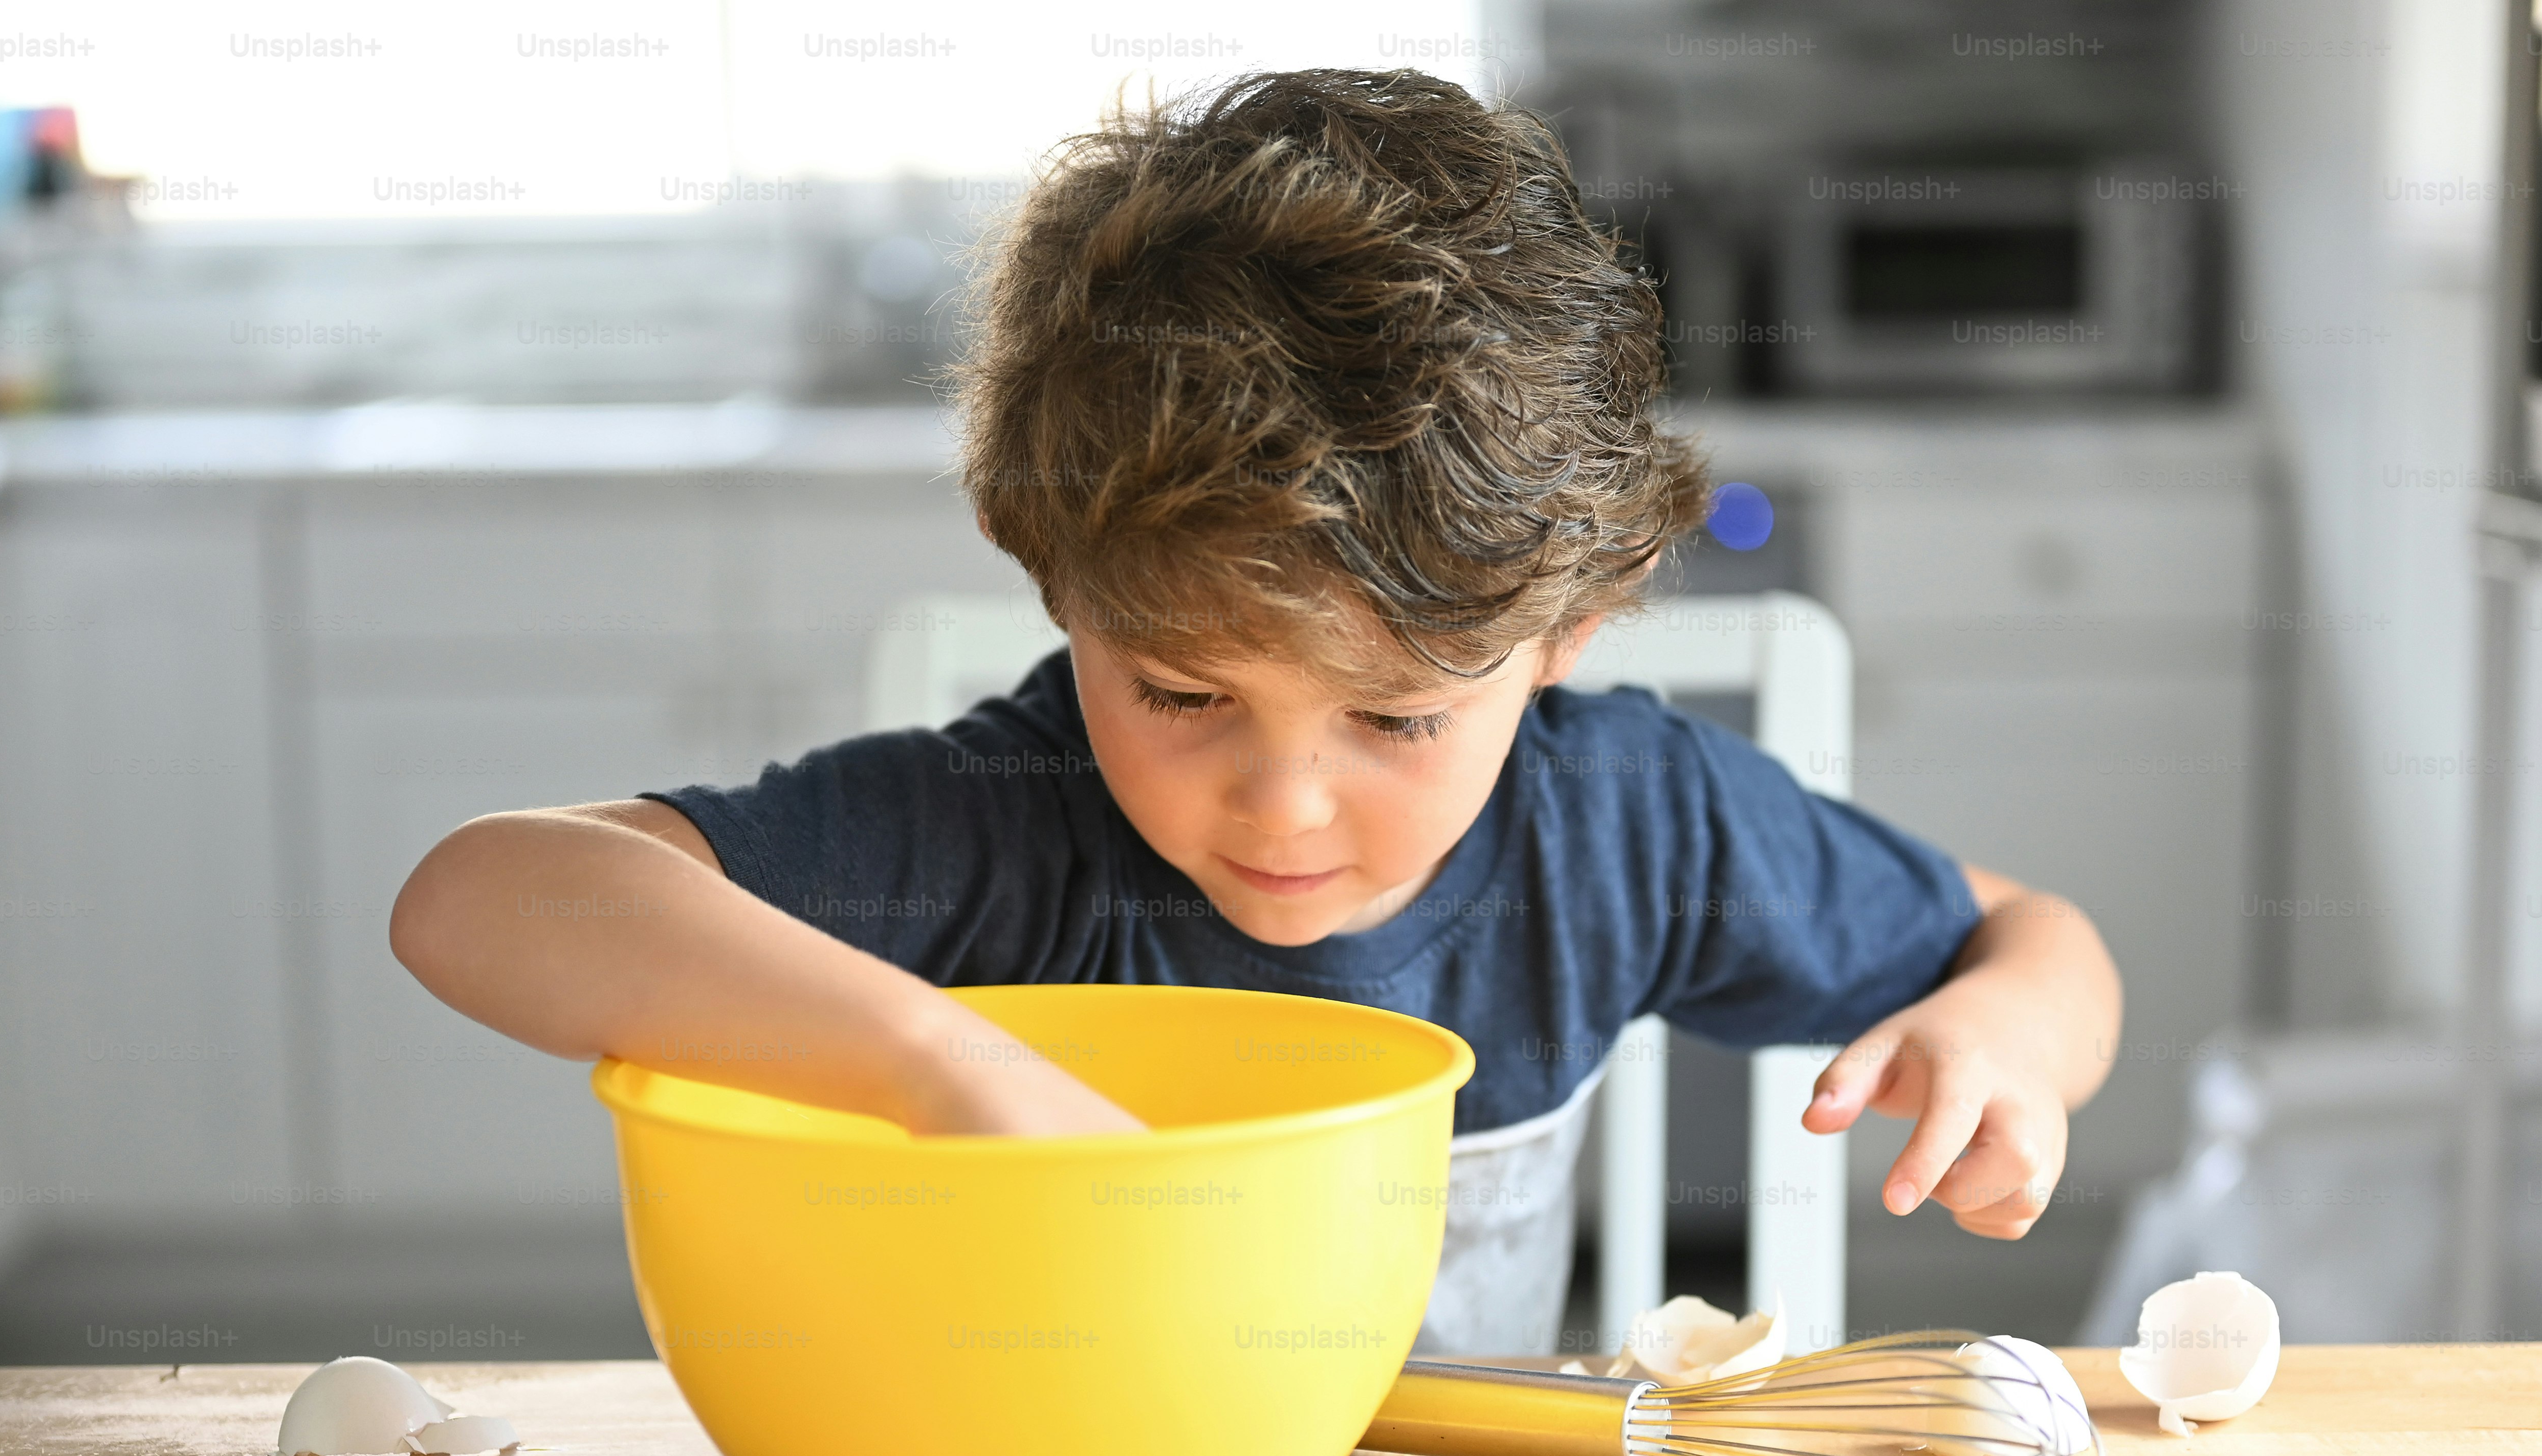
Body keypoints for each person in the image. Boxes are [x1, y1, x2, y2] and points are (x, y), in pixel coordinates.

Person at [390, 68, 2121, 1352]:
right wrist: (937, 1060)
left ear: (1564, 637)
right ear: (1057, 586)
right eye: (1180, 691)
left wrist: (2010, 1048)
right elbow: (479, 896)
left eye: (1395, 721)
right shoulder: (1002, 831)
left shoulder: (1623, 828)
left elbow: (2034, 938)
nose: (1282, 807)